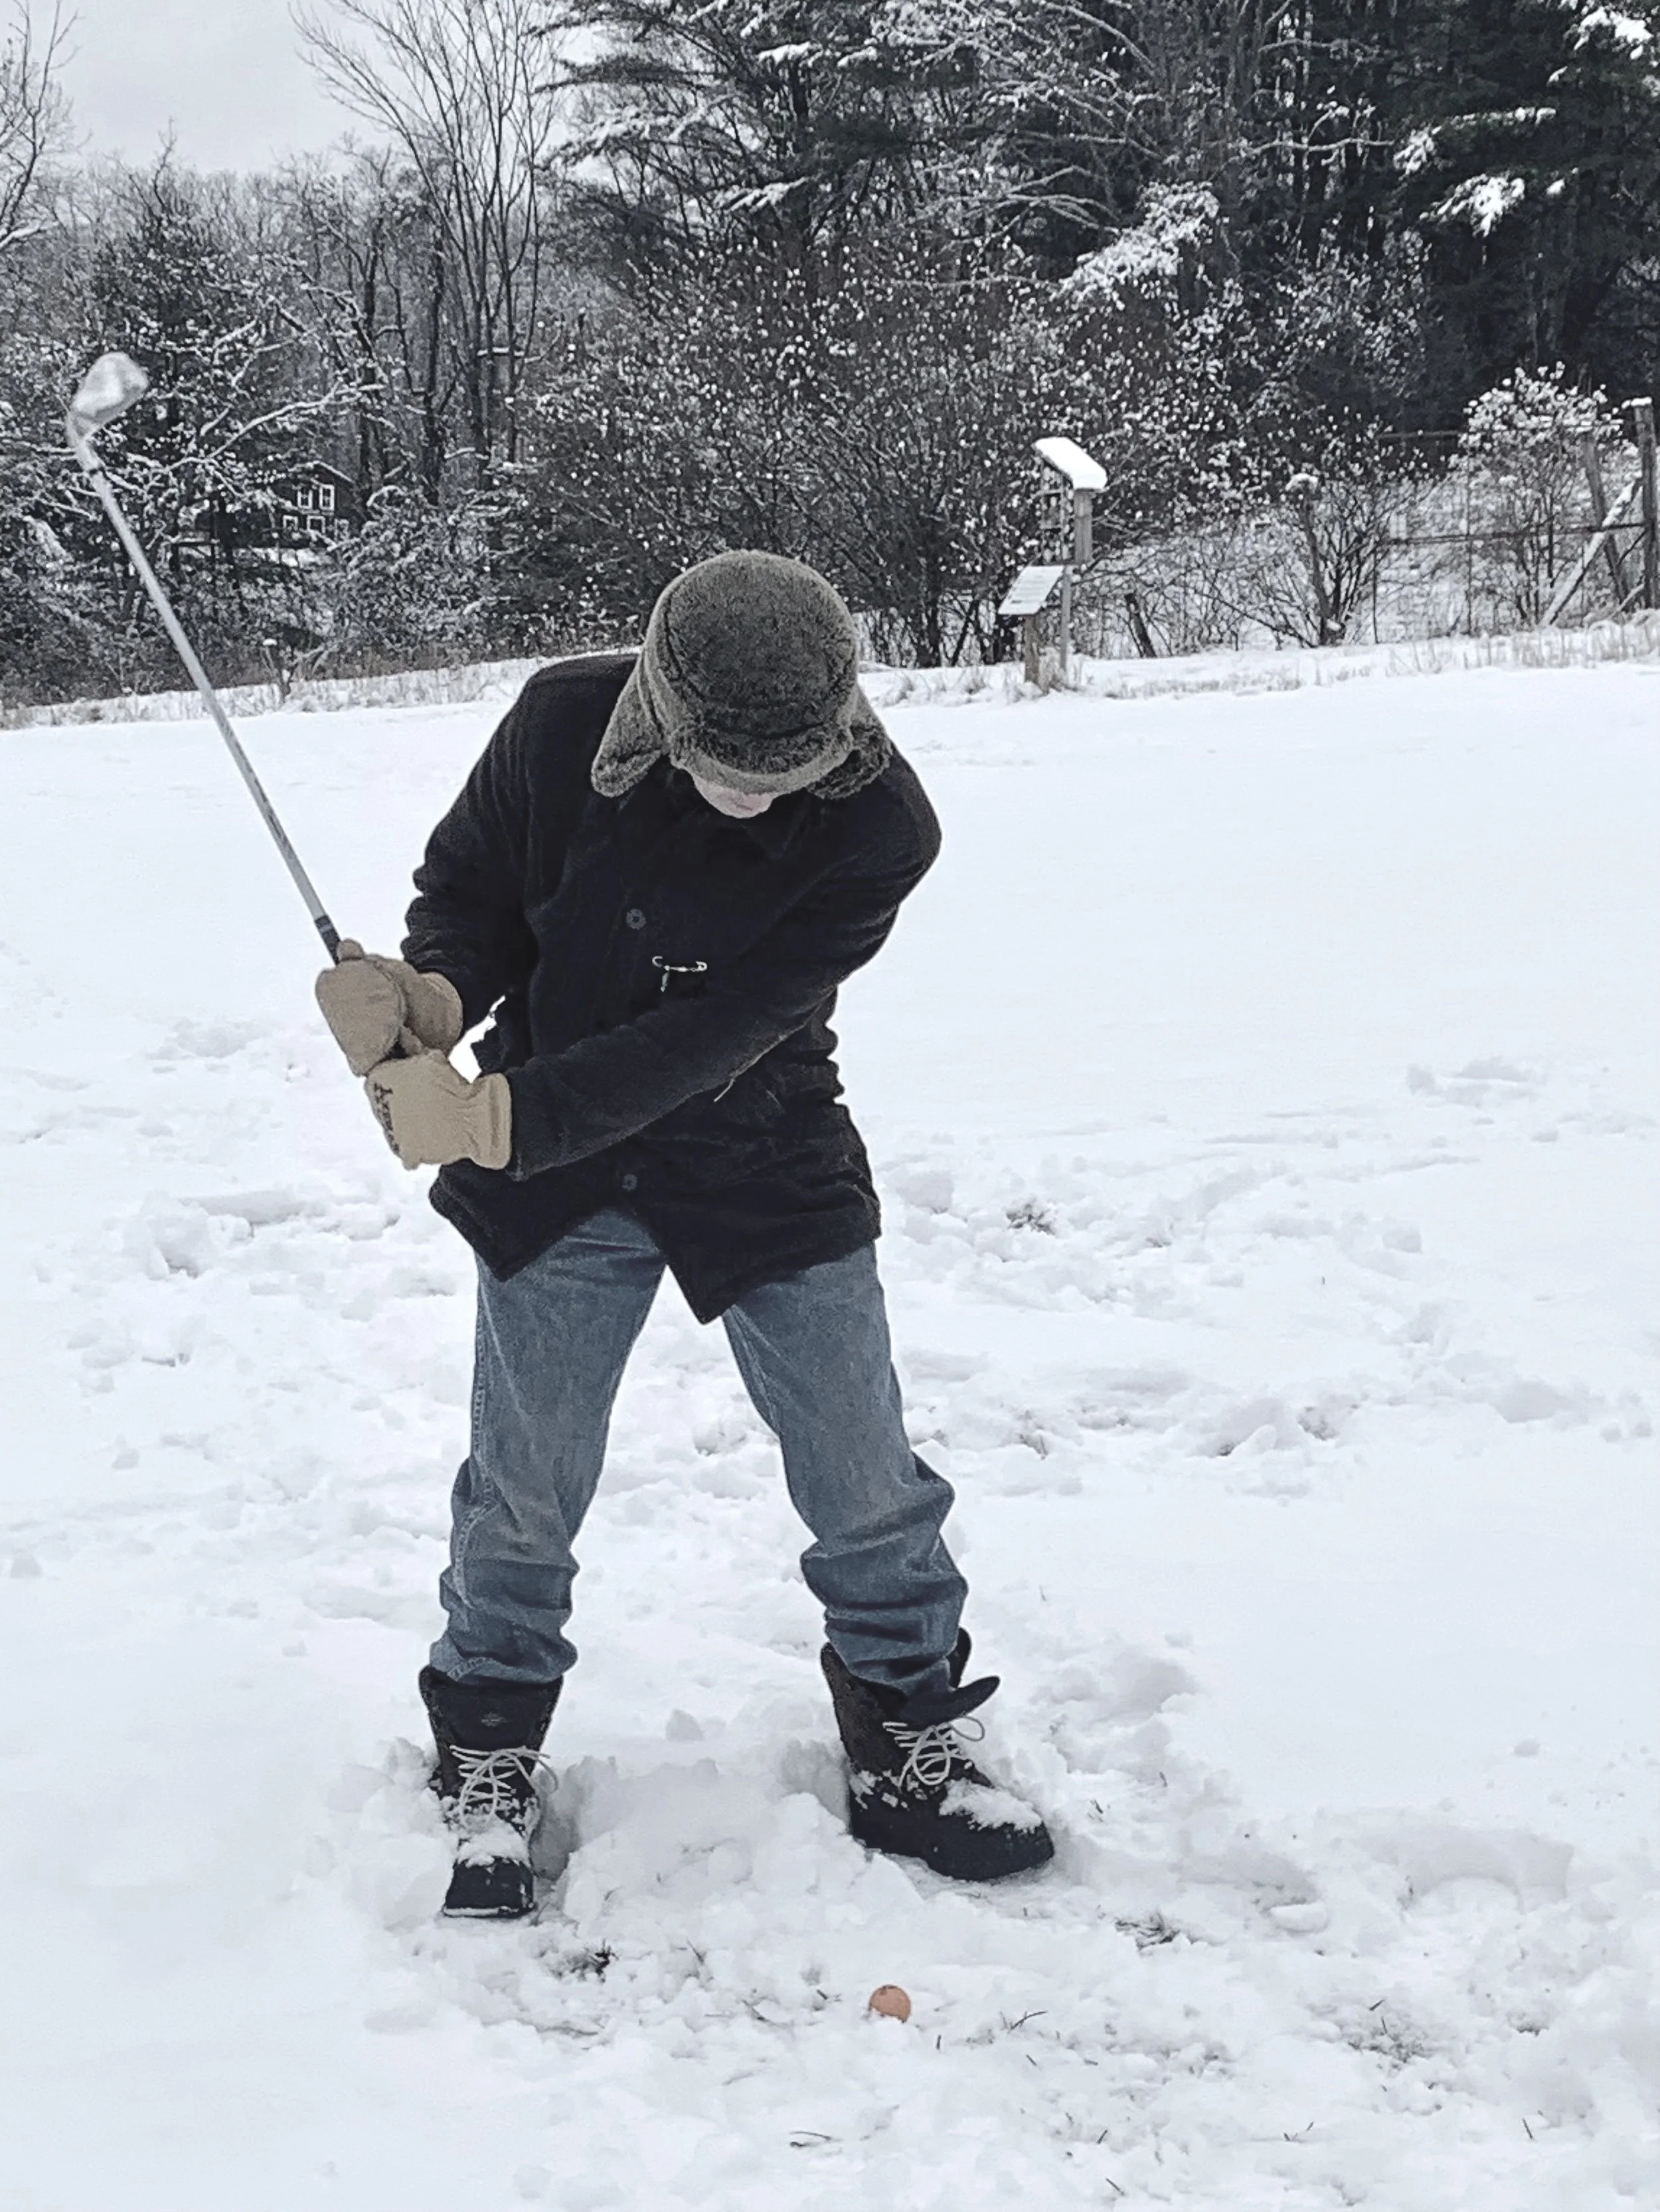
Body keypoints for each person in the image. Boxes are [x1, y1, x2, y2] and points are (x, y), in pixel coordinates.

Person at [316, 552, 1053, 1918]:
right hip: (555, 1173)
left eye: (783, 771)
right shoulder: (555, 725)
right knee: (522, 1477)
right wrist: (432, 993)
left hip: (756, 1146)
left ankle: (906, 1734)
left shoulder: (881, 827)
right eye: (725, 763)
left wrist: (496, 1119)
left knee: (860, 1461)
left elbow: (718, 1032)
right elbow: (471, 890)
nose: (753, 794)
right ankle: (486, 1746)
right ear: (660, 705)